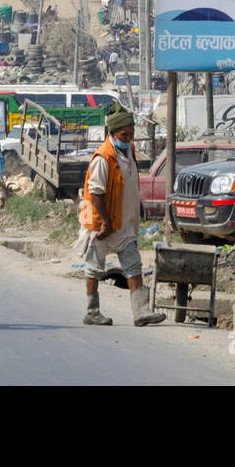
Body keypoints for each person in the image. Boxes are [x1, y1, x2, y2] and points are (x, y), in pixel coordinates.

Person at [76, 104, 166, 327]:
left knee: (134, 267)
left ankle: (141, 312)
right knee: (94, 270)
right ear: (112, 133)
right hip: (102, 225)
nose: (128, 138)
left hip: (124, 225)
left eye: (131, 134)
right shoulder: (102, 158)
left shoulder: (129, 150)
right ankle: (92, 311)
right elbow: (96, 193)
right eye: (124, 134)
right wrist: (105, 222)